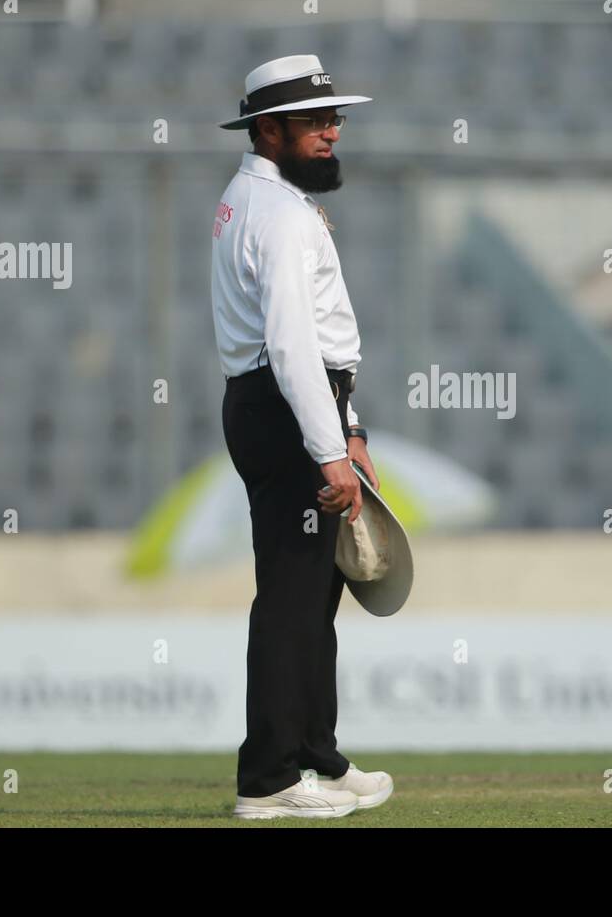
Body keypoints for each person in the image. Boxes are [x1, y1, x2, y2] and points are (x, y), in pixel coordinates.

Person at [211, 55, 392, 819]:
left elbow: (311, 339)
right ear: (268, 130)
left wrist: (347, 429)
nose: (331, 132)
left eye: (334, 119)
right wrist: (327, 447)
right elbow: (291, 344)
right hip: (286, 409)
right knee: (290, 595)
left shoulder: (263, 199)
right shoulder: (279, 215)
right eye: (315, 122)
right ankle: (269, 781)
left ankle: (317, 752)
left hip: (295, 405)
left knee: (318, 590)